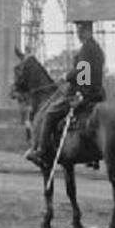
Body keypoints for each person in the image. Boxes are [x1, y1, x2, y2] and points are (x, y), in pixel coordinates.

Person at [24, 20, 106, 170]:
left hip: (84, 93)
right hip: (98, 93)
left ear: (87, 31)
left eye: (80, 31)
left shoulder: (87, 48)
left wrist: (67, 77)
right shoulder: (97, 48)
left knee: (49, 114)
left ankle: (41, 151)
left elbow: (83, 73)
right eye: (78, 32)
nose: (78, 35)